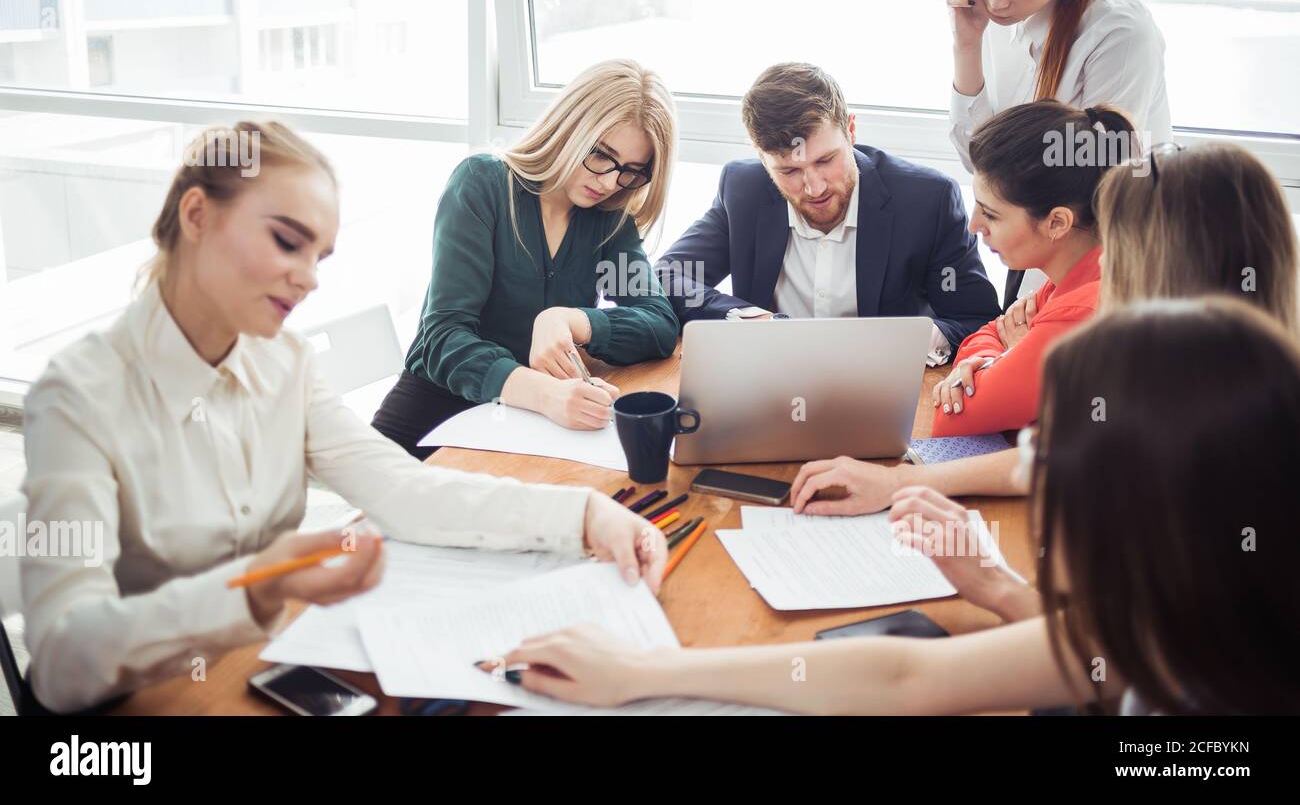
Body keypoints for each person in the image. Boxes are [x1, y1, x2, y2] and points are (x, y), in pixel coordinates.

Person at [19, 122, 666, 714]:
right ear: (197, 214)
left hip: (267, 666)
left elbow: (405, 490)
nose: (308, 280)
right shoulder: (80, 396)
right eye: (286, 242)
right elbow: (58, 666)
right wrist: (254, 588)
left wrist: (583, 514)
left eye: (320, 258)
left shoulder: (282, 362)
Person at [498, 299, 1300, 715]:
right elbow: (1086, 662)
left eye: (1056, 456)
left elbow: (911, 677)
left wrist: (641, 669)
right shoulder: (1198, 620)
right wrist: (998, 590)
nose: (1036, 474)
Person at [789, 141, 1299, 515]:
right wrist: (896, 485)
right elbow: (1056, 460)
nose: (1102, 262)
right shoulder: (1196, 372)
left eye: (1115, 243)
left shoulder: (1228, 420)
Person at [372, 59, 680, 459]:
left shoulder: (609, 218)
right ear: (570, 126)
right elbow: (443, 338)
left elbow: (658, 323)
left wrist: (569, 319)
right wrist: (547, 395)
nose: (609, 182)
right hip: (433, 417)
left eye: (631, 171)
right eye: (602, 155)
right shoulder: (482, 185)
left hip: (527, 425)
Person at [656, 62, 999, 366]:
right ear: (761, 158)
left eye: (825, 160)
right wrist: (751, 321)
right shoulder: (743, 190)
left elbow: (975, 318)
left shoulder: (927, 201)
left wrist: (915, 341)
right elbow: (666, 276)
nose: (814, 187)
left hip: (881, 386)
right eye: (789, 171)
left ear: (851, 130)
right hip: (770, 382)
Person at [947, 0, 1172, 307]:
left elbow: (1097, 195)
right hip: (1039, 249)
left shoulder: (1120, 33)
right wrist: (966, 43)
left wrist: (1039, 306)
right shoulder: (991, 15)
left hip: (1105, 258)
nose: (998, 0)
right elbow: (984, 165)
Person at [929, 100, 1132, 437]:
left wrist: (1009, 355)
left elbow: (951, 421)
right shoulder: (1077, 276)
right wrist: (1005, 356)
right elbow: (986, 332)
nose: (974, 225)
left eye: (991, 214)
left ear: (1056, 222)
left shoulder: (1080, 311)